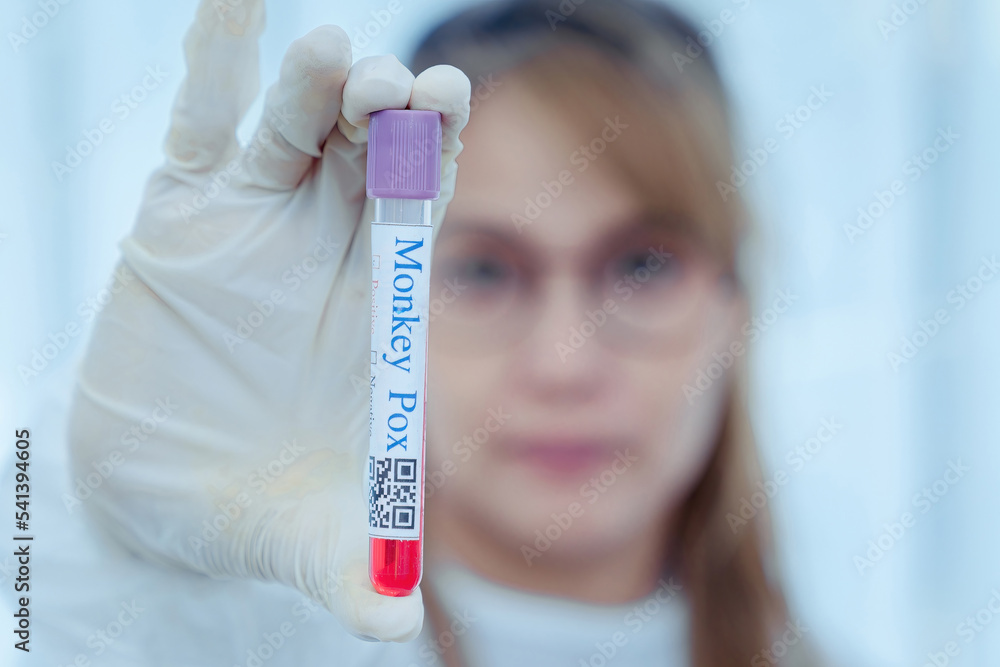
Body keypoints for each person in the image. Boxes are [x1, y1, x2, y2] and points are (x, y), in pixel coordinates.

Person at [16, 0, 825, 665]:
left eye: (642, 267)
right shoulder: (228, 642)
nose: (564, 364)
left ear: (735, 307)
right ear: (387, 292)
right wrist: (94, 532)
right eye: (483, 271)